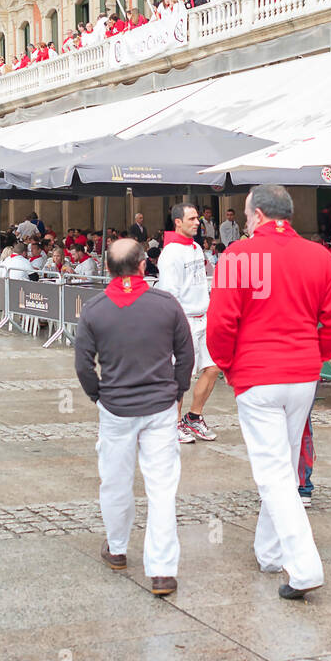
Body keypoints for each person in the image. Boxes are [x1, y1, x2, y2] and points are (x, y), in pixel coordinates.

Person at [207, 185, 331, 600]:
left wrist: (228, 364)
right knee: (282, 463)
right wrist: (316, 355)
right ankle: (269, 551)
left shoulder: (238, 255)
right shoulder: (319, 256)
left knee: (273, 473)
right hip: (301, 372)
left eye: (248, 215)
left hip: (256, 373)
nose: (246, 221)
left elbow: (220, 324)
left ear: (259, 215)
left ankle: (303, 565)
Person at [75, 238, 193, 597]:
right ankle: (161, 571)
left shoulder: (94, 309)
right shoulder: (166, 304)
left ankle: (117, 547)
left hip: (116, 407)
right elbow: (186, 354)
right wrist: (176, 392)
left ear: (108, 268)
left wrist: (99, 394)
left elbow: (83, 364)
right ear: (144, 265)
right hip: (159, 405)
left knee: (114, 481)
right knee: (161, 489)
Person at [157, 203, 221, 444]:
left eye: (197, 219)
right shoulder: (170, 253)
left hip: (203, 317)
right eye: (192, 219)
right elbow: (170, 293)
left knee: (213, 367)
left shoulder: (195, 247)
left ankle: (193, 417)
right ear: (178, 222)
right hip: (182, 321)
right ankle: (171, 424)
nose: (197, 222)